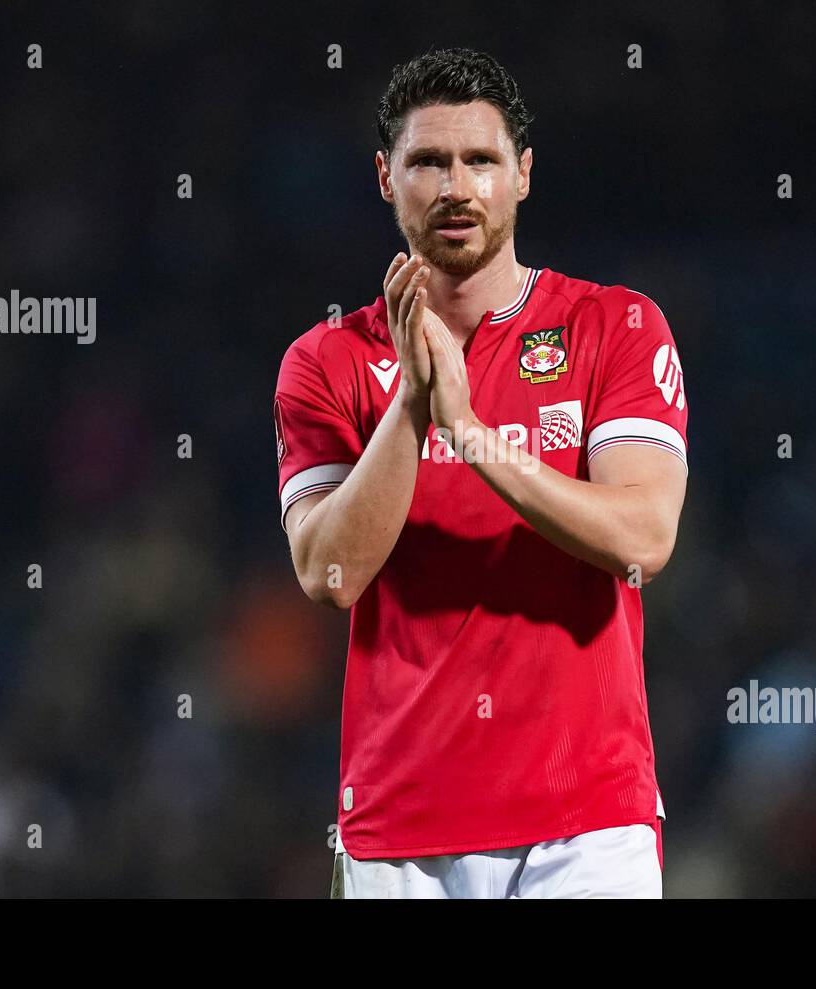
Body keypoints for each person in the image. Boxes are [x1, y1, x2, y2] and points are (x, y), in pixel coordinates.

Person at [275, 47, 688, 898]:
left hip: (588, 822)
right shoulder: (326, 362)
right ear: (387, 177)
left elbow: (643, 536)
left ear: (523, 175)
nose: (455, 186)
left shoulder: (614, 325)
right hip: (401, 827)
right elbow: (329, 572)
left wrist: (470, 433)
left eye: (480, 161)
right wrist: (414, 411)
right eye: (428, 162)